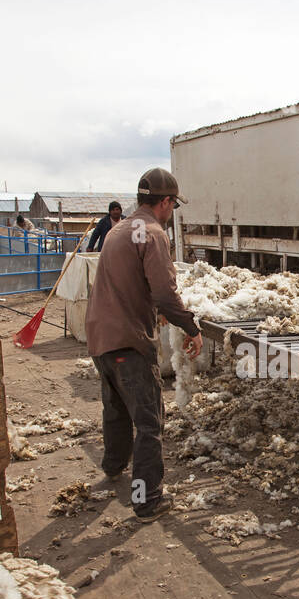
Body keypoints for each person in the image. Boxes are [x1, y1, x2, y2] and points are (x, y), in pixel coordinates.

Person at [85, 168, 202, 521]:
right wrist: (190, 326)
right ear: (165, 202)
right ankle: (147, 499)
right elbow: (165, 293)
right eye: (173, 206)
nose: (171, 214)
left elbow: (133, 284)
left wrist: (153, 307)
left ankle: (113, 465)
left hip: (100, 337)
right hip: (126, 341)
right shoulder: (152, 233)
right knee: (149, 422)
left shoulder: (120, 229)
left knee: (117, 408)